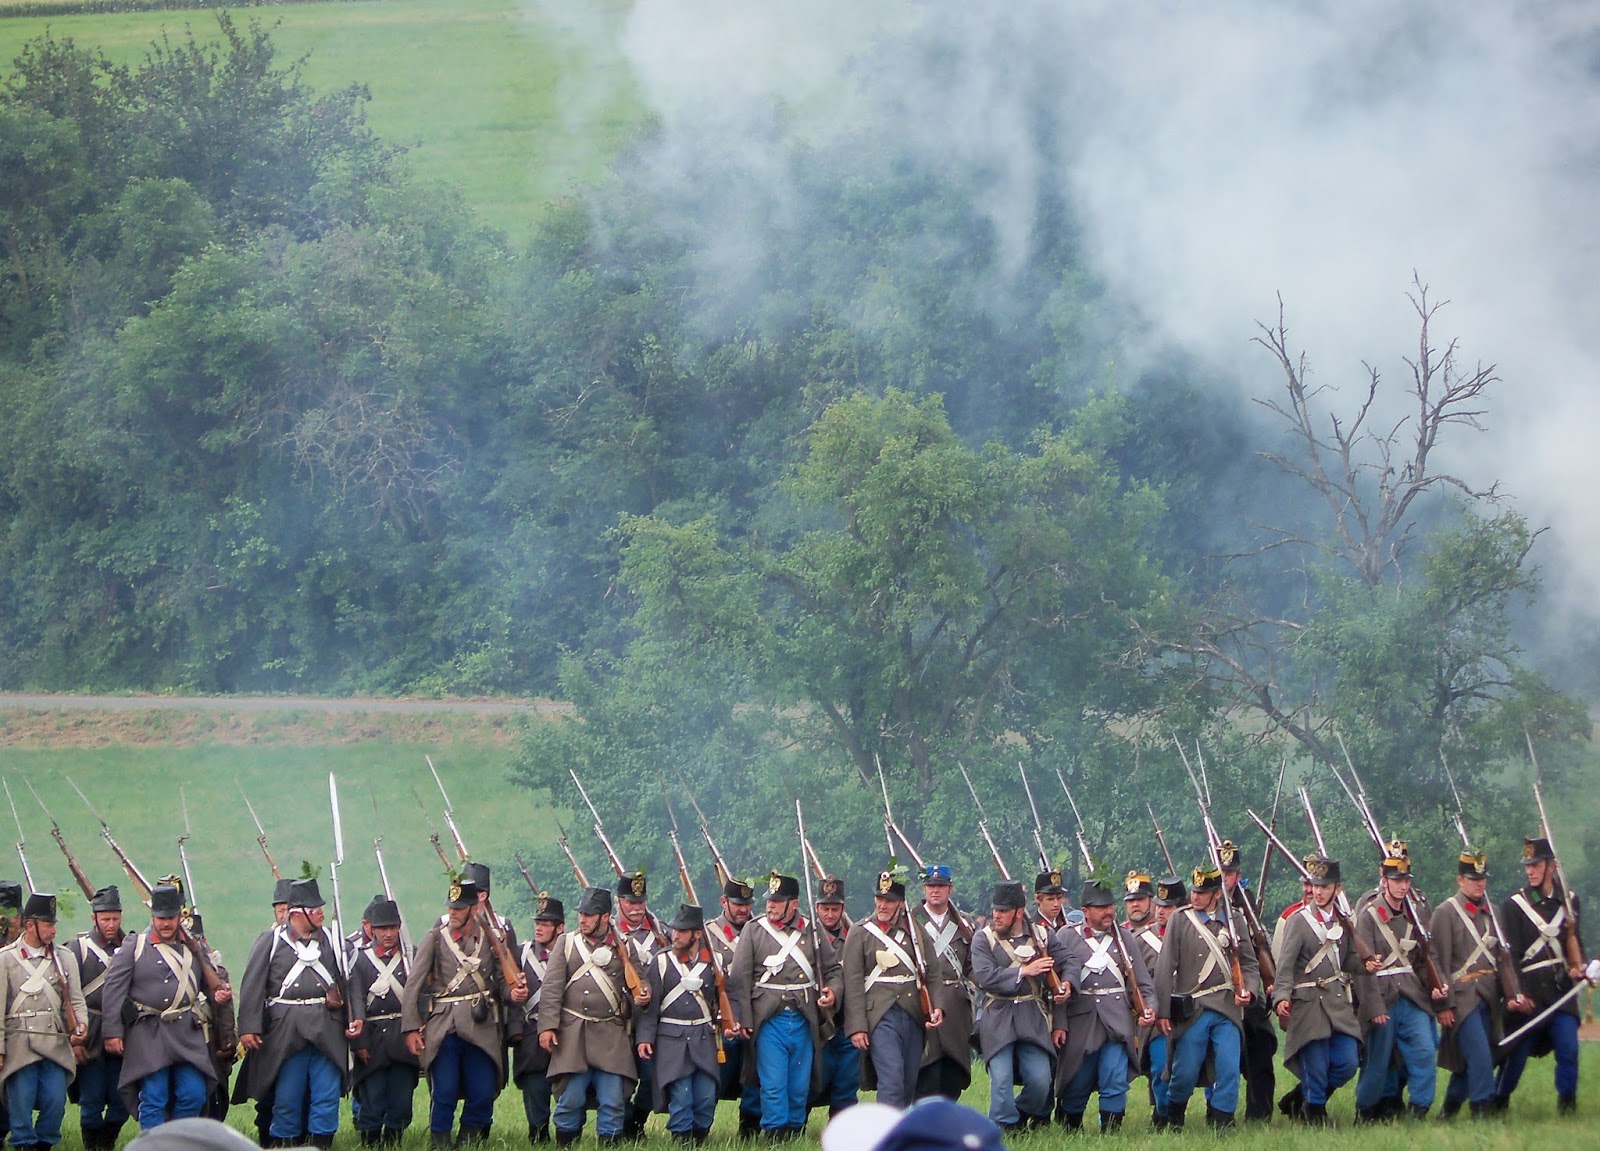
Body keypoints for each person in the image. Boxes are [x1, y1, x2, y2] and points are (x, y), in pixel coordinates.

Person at [402, 878, 524, 1146]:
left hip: (481, 1025)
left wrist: (513, 993)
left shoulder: (491, 938)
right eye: (451, 907)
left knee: (482, 1091)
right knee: (444, 1090)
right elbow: (415, 983)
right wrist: (411, 1028)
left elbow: (502, 980)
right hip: (444, 1024)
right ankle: (440, 1141)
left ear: (473, 909)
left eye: (458, 908)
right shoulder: (435, 937)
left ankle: (467, 1140)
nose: (452, 912)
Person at [237, 877, 357, 1149]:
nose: (321, 913)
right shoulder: (271, 942)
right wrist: (248, 1027)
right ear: (297, 913)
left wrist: (356, 1016)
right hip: (285, 1031)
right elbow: (252, 985)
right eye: (314, 909)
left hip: (327, 1028)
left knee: (326, 1097)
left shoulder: (333, 942)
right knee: (287, 1098)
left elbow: (351, 983)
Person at [100, 883, 230, 1132]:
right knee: (154, 1095)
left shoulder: (194, 947)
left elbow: (208, 983)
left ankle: (176, 1141)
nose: (166, 923)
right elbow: (113, 991)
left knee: (193, 1093)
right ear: (153, 917)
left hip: (186, 1032)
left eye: (170, 918)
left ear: (179, 916)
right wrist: (112, 1032)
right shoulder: (134, 946)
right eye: (161, 918)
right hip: (149, 1032)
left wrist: (219, 994)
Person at [728, 872, 842, 1139]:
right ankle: (775, 1132)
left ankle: (794, 1130)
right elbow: (740, 980)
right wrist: (743, 1018)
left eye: (778, 901)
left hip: (803, 1017)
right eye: (770, 900)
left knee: (800, 1084)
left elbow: (833, 970)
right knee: (774, 1083)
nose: (771, 905)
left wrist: (832, 993)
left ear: (794, 903)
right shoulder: (754, 930)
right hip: (768, 1018)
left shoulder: (811, 931)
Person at [1273, 857, 1379, 1124]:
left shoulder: (1343, 923)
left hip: (1336, 999)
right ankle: (1315, 1113)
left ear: (1337, 889)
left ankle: (1300, 1098)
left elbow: (1348, 959)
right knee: (1316, 1064)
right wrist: (1282, 997)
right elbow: (1285, 965)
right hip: (1308, 1002)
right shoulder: (1299, 921)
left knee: (1347, 1062)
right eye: (1314, 885)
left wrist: (1367, 965)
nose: (1318, 891)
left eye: (1324, 886)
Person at [1155, 864, 1261, 1130]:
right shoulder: (1181, 919)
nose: (1195, 897)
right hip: (1195, 1007)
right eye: (1194, 891)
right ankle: (1175, 1113)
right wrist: (1163, 1010)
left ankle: (1223, 1119)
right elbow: (1166, 966)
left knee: (1228, 1067)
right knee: (1185, 1070)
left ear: (1216, 894)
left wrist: (1249, 990)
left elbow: (1249, 963)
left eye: (1202, 892)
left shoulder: (1234, 919)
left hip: (1227, 1006)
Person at [537, 886, 645, 1147]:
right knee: (570, 1098)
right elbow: (551, 988)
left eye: (589, 914)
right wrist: (547, 1027)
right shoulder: (567, 943)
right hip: (574, 1034)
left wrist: (643, 995)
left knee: (613, 1099)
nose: (583, 919)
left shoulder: (625, 946)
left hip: (610, 1034)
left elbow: (640, 981)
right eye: (581, 914)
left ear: (605, 917)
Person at [1430, 849, 1533, 1119]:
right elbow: (1436, 962)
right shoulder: (1445, 912)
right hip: (1462, 997)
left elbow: (1503, 960)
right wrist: (1443, 1004)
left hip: (1489, 995)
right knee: (1479, 1056)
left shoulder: (1494, 913)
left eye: (1482, 878)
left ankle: (1449, 1110)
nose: (1479, 883)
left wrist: (1512, 994)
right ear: (1460, 880)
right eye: (1472, 878)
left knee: (1478, 1058)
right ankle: (1482, 1110)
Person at [969, 879, 1076, 1132]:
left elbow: (1069, 960)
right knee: (1002, 1080)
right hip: (998, 1017)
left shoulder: (1042, 935)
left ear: (1018, 912)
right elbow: (986, 978)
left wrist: (1068, 983)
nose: (997, 915)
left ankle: (1016, 1117)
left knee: (1041, 1081)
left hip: (1032, 1017)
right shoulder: (983, 939)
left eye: (1003, 911)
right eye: (995, 910)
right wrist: (1024, 971)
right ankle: (1001, 1129)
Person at [1053, 881, 1155, 1132]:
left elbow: (1142, 982)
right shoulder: (1066, 935)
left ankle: (1111, 1132)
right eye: (1101, 907)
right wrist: (1059, 1023)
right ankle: (1070, 1128)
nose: (1108, 911)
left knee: (1114, 1076)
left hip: (1117, 1020)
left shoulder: (1125, 937)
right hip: (1080, 1020)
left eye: (1110, 905)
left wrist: (1149, 1007)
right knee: (1078, 1079)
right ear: (1086, 911)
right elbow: (1054, 985)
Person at [1494, 836, 1585, 1114]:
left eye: (1536, 864)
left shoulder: (1569, 902)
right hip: (1530, 994)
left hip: (1561, 995)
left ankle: (1567, 1105)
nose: (1530, 870)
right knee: (1516, 1057)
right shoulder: (1514, 905)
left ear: (1551, 866)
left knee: (1569, 1050)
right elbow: (1509, 959)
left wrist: (1578, 967)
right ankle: (1500, 1101)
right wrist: (1517, 995)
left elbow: (1576, 945)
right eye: (1528, 865)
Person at [842, 871, 944, 1109]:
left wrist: (937, 1006)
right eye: (879, 898)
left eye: (888, 900)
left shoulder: (916, 932)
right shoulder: (861, 932)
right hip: (879, 1015)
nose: (882, 904)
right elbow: (853, 982)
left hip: (912, 1013)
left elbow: (933, 973)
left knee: (908, 1082)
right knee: (892, 1081)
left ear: (900, 903)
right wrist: (857, 1026)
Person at [1353, 847, 1441, 1121]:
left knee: (1425, 1051)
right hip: (1382, 997)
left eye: (1406, 881)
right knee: (1377, 1062)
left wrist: (1435, 987)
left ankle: (1420, 1108)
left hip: (1412, 996)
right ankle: (1365, 1110)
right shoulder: (1369, 915)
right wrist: (1374, 1007)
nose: (1402, 886)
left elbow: (1425, 958)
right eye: (1397, 881)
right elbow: (1362, 968)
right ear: (1385, 881)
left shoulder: (1416, 913)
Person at [0, 893, 87, 1150]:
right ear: (30, 925)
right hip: (19, 1043)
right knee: (21, 1101)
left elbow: (76, 1000)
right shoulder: (5, 959)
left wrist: (80, 1025)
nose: (53, 930)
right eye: (48, 924)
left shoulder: (64, 958)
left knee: (54, 1101)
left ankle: (45, 1143)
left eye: (53, 924)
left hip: (55, 1043)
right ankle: (24, 1143)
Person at [636, 904, 725, 1145]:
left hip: (704, 1036)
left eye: (683, 931)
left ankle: (700, 1137)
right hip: (671, 1038)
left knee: (706, 1096)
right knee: (681, 1095)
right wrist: (645, 1038)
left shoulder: (714, 961)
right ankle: (681, 1139)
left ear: (696, 934)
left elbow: (727, 999)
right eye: (675, 930)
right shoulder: (662, 961)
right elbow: (650, 1007)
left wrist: (731, 1022)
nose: (676, 935)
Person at [348, 897, 418, 1145]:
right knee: (372, 1099)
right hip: (373, 1039)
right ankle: (369, 1141)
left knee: (401, 1102)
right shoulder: (359, 959)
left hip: (402, 1036)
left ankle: (393, 1141)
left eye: (392, 928)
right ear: (372, 930)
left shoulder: (413, 957)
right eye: (382, 929)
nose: (388, 934)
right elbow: (355, 1003)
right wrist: (360, 1044)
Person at [69, 885, 130, 1149]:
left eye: (115, 918)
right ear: (94, 918)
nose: (111, 924)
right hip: (91, 1030)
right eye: (105, 918)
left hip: (123, 1032)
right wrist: (76, 1041)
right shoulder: (78, 949)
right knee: (91, 1098)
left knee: (122, 1099)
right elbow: (69, 998)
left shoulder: (130, 946)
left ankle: (107, 1142)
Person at [706, 877, 763, 1135]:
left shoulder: (761, 932)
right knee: (715, 1078)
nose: (742, 909)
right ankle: (700, 1128)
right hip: (721, 1020)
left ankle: (749, 1128)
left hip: (754, 1016)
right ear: (724, 902)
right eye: (737, 904)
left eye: (747, 904)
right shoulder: (709, 934)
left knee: (755, 1075)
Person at [914, 865, 973, 1102]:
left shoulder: (965, 923)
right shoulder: (912, 919)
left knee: (953, 1069)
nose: (935, 891)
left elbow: (971, 966)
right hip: (923, 999)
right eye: (930, 886)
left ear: (950, 888)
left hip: (956, 1002)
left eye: (940, 886)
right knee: (927, 1068)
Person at [512, 894, 565, 1144]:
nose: (539, 927)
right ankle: (538, 1136)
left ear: (560, 928)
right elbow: (505, 987)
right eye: (538, 922)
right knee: (535, 1090)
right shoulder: (522, 953)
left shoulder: (571, 954)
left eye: (546, 923)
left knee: (567, 1092)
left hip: (564, 1031)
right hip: (531, 1032)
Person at [1135, 875, 1183, 1128]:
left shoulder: (1191, 936)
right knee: (1160, 1068)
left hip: (1187, 1011)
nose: (1161, 911)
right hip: (1156, 1013)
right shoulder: (1141, 940)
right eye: (1159, 906)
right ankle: (1163, 1115)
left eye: (1168, 907)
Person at [813, 877, 858, 1119]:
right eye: (825, 909)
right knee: (813, 1078)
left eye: (834, 909)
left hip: (847, 1020)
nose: (830, 915)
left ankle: (844, 1127)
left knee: (847, 1082)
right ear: (817, 908)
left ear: (843, 909)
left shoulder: (856, 936)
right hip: (817, 1020)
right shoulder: (806, 937)